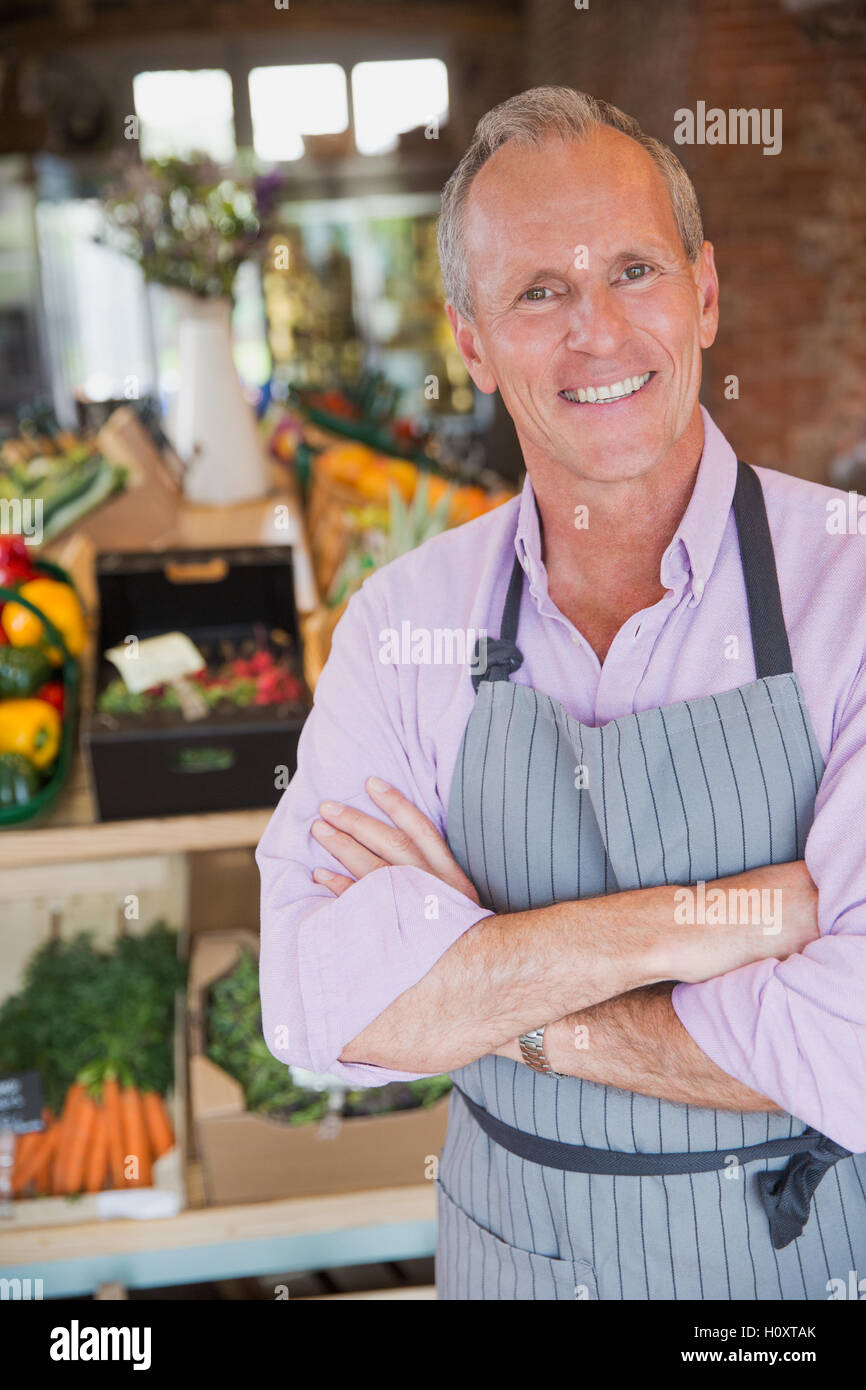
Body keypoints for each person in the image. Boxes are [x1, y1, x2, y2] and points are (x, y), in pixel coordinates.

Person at [257, 87, 866, 1300]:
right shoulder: (403, 621)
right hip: (507, 1266)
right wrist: (738, 917)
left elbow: (855, 1048)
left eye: (632, 269)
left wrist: (503, 1001)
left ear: (701, 291)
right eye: (538, 290)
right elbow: (313, 1010)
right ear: (471, 343)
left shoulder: (848, 584)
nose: (596, 330)